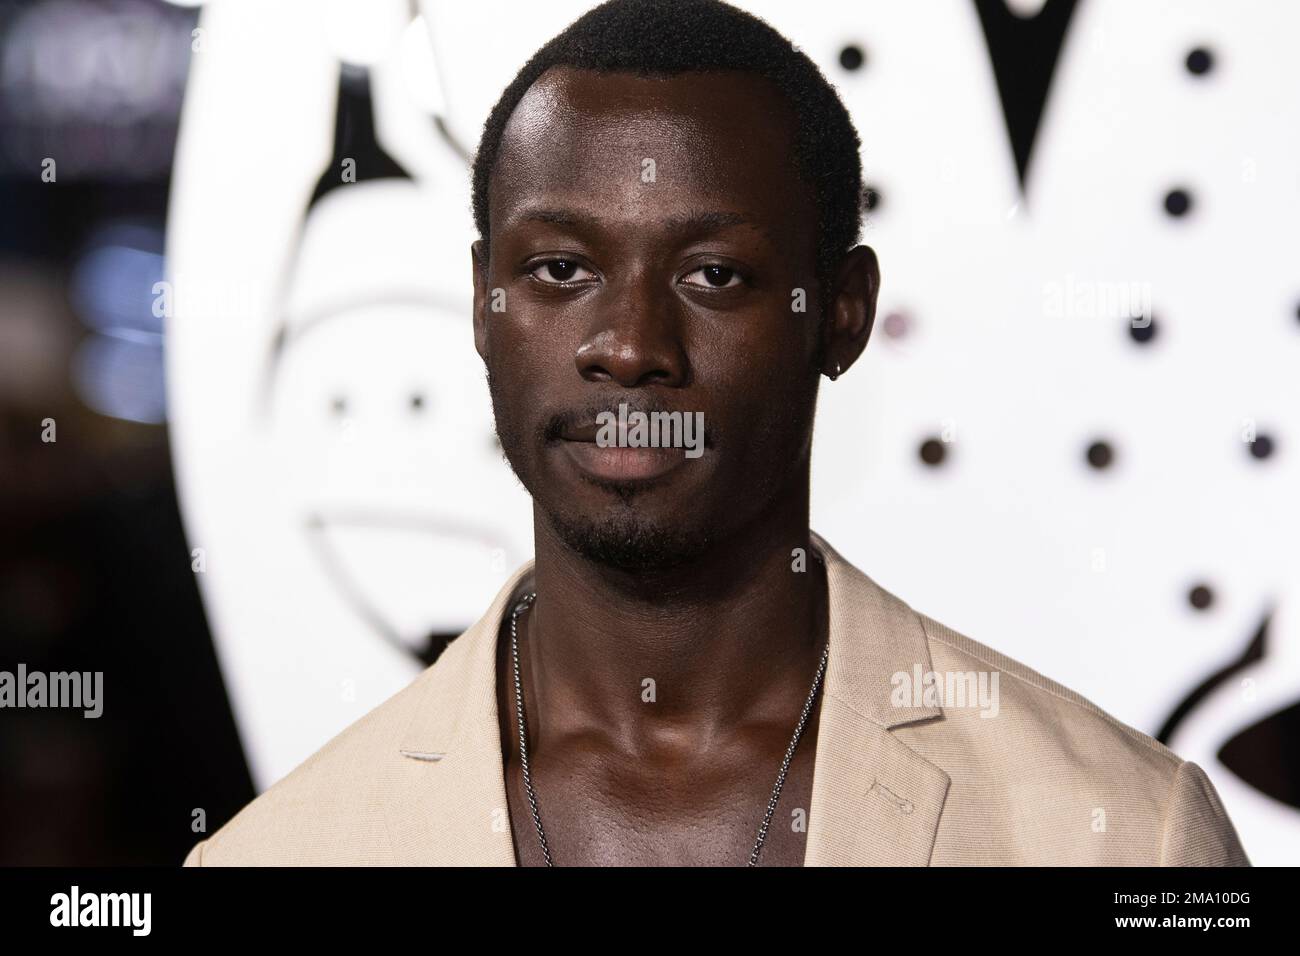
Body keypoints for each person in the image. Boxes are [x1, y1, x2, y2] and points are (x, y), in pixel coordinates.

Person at [184, 0, 1248, 866]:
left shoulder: (1119, 833)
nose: (629, 345)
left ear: (841, 312)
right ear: (481, 304)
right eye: (560, 269)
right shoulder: (282, 854)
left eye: (712, 275)